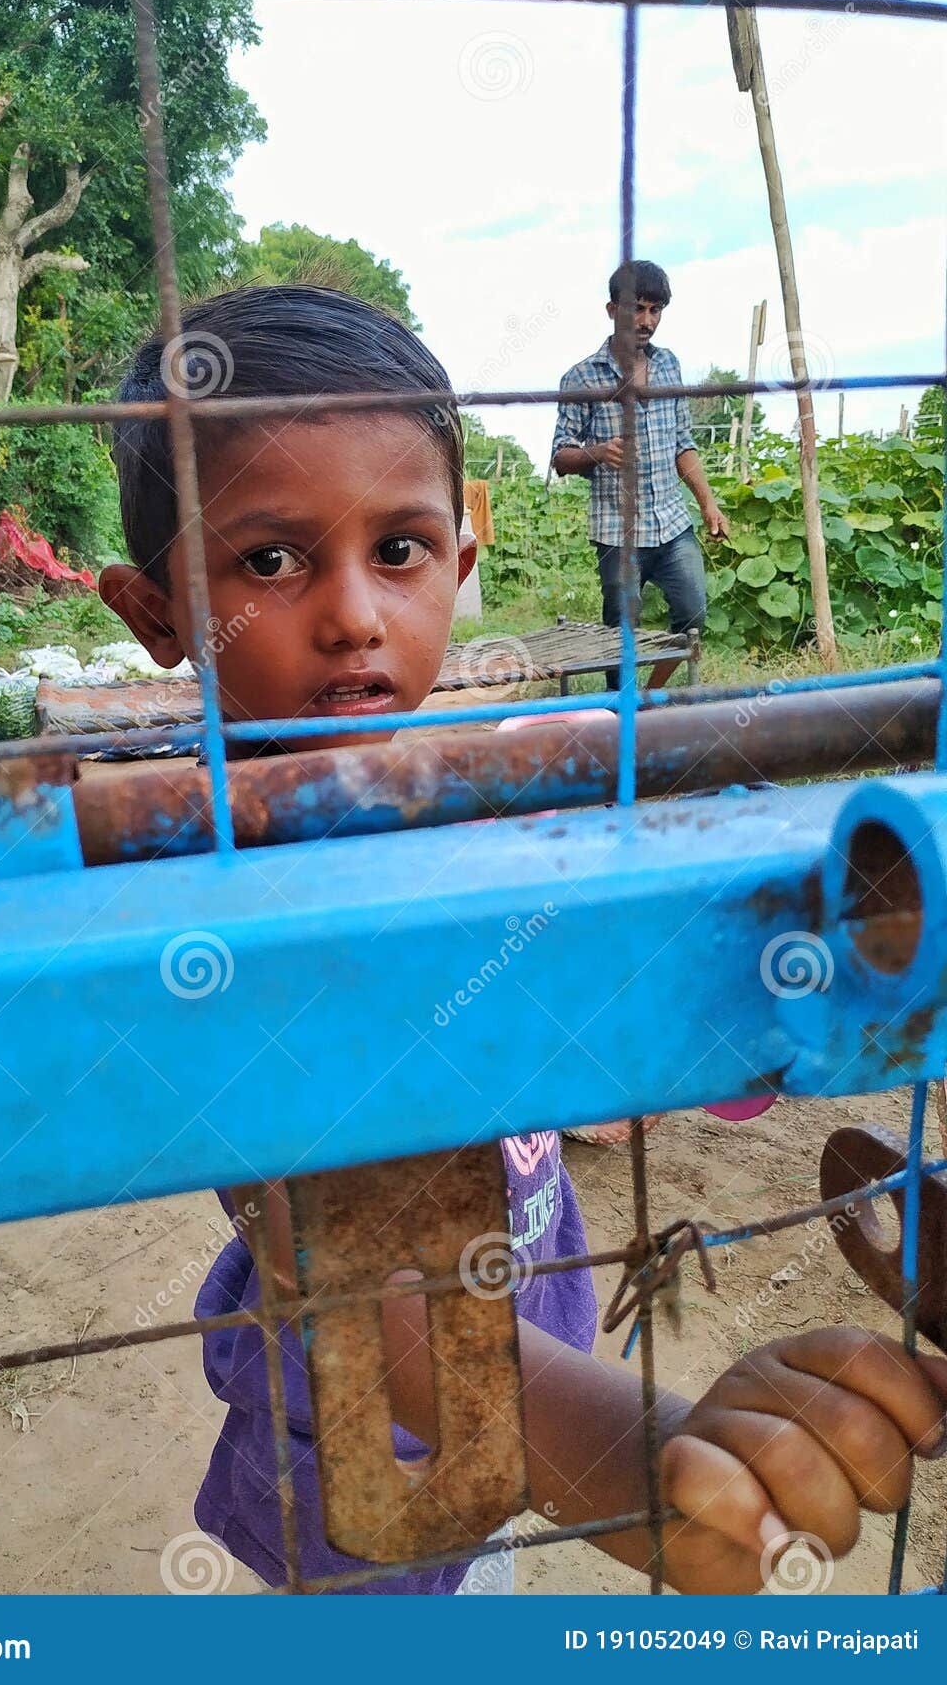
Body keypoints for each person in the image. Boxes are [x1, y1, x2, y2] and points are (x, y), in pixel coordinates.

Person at [99, 285, 947, 1596]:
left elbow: (687, 1030)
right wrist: (625, 1454)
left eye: (400, 547)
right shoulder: (207, 897)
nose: (353, 613)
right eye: (269, 562)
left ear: (460, 559)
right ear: (158, 612)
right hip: (355, 1465)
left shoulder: (488, 806)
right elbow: (327, 1262)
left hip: (524, 1345)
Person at [552, 261, 728, 688]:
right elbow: (560, 456)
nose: (646, 321)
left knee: (692, 612)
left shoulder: (669, 366)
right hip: (618, 530)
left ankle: (649, 695)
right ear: (613, 310)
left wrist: (708, 504)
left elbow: (683, 443)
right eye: (637, 309)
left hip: (672, 522)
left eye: (655, 310)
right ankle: (620, 707)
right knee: (620, 631)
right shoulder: (581, 377)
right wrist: (597, 452)